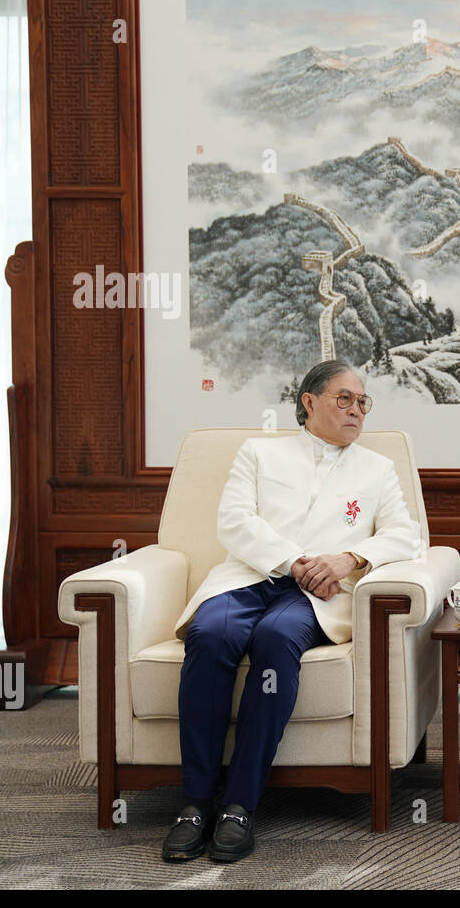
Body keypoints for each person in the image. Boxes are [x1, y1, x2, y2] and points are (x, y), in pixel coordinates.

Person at [160, 360, 420, 863]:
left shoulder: (377, 469)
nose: (356, 410)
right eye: (344, 399)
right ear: (309, 402)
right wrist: (292, 561)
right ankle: (194, 803)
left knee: (277, 641)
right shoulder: (259, 453)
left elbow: (404, 534)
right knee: (211, 635)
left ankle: (238, 804)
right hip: (251, 577)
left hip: (318, 595)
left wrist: (351, 557)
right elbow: (234, 521)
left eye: (362, 402)